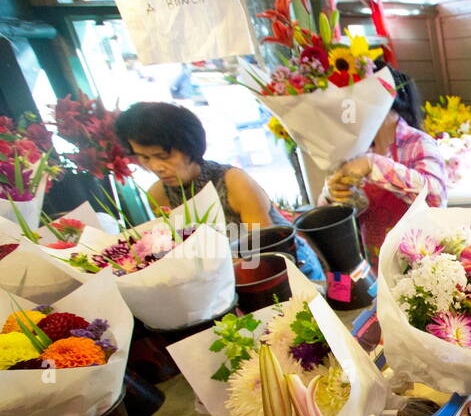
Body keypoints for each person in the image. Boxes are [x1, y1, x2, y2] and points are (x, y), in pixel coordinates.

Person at [116, 101, 326, 280]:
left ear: (189, 145)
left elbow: (266, 251)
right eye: (144, 158)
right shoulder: (158, 195)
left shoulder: (233, 182)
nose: (155, 167)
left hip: (288, 271)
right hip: (226, 282)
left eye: (163, 156)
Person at [323, 62, 448, 262]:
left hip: (420, 268)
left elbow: (435, 197)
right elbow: (333, 215)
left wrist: (373, 164)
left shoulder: (417, 143)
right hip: (375, 263)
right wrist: (332, 195)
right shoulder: (356, 149)